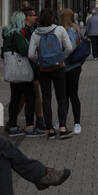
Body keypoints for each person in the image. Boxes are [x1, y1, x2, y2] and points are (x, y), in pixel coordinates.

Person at [28, 9, 74, 140]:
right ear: (53, 18)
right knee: (62, 98)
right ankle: (63, 128)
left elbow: (31, 54)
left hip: (44, 70)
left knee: (46, 99)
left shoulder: (36, 33)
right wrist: (61, 58)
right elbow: (69, 48)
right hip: (59, 68)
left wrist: (40, 62)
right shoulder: (59, 30)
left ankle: (49, 130)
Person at [2, 11, 41, 138]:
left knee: (14, 98)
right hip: (22, 71)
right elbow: (25, 51)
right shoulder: (17, 34)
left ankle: (13, 126)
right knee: (30, 97)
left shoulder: (7, 34)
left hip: (12, 71)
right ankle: (29, 127)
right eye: (23, 20)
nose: (25, 22)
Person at [60, 8, 86, 135]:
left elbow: (70, 48)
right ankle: (73, 122)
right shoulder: (76, 29)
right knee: (73, 95)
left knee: (66, 96)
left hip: (66, 66)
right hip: (76, 65)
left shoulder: (65, 30)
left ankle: (67, 123)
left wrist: (61, 57)